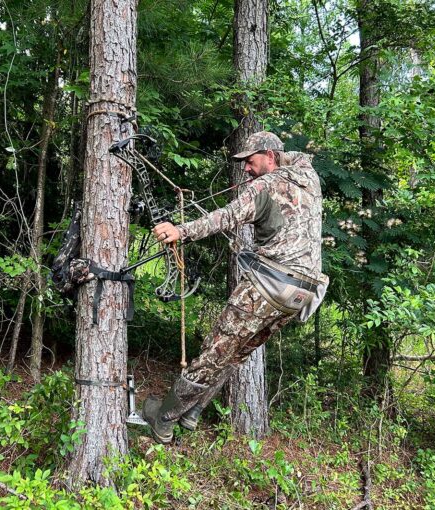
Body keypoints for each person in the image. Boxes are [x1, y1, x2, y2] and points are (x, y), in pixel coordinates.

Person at [141, 131, 329, 444]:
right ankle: (193, 410)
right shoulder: (310, 179)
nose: (246, 169)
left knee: (214, 352)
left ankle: (164, 418)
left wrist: (180, 231)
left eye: (250, 161)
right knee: (235, 355)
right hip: (301, 295)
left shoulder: (264, 185)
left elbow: (226, 217)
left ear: (270, 156)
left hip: (268, 287)